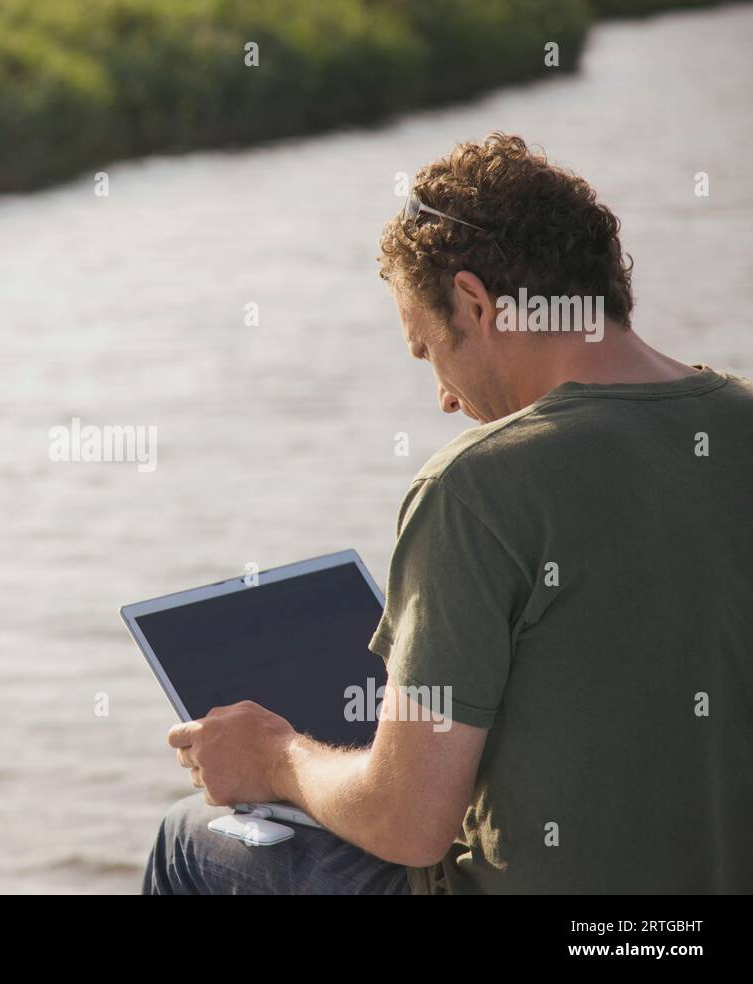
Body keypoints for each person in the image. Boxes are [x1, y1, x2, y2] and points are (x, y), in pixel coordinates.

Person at [143, 133, 753, 894]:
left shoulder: (479, 485)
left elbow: (409, 822)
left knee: (186, 837)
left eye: (428, 350)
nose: (444, 399)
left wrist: (275, 756)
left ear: (473, 302)